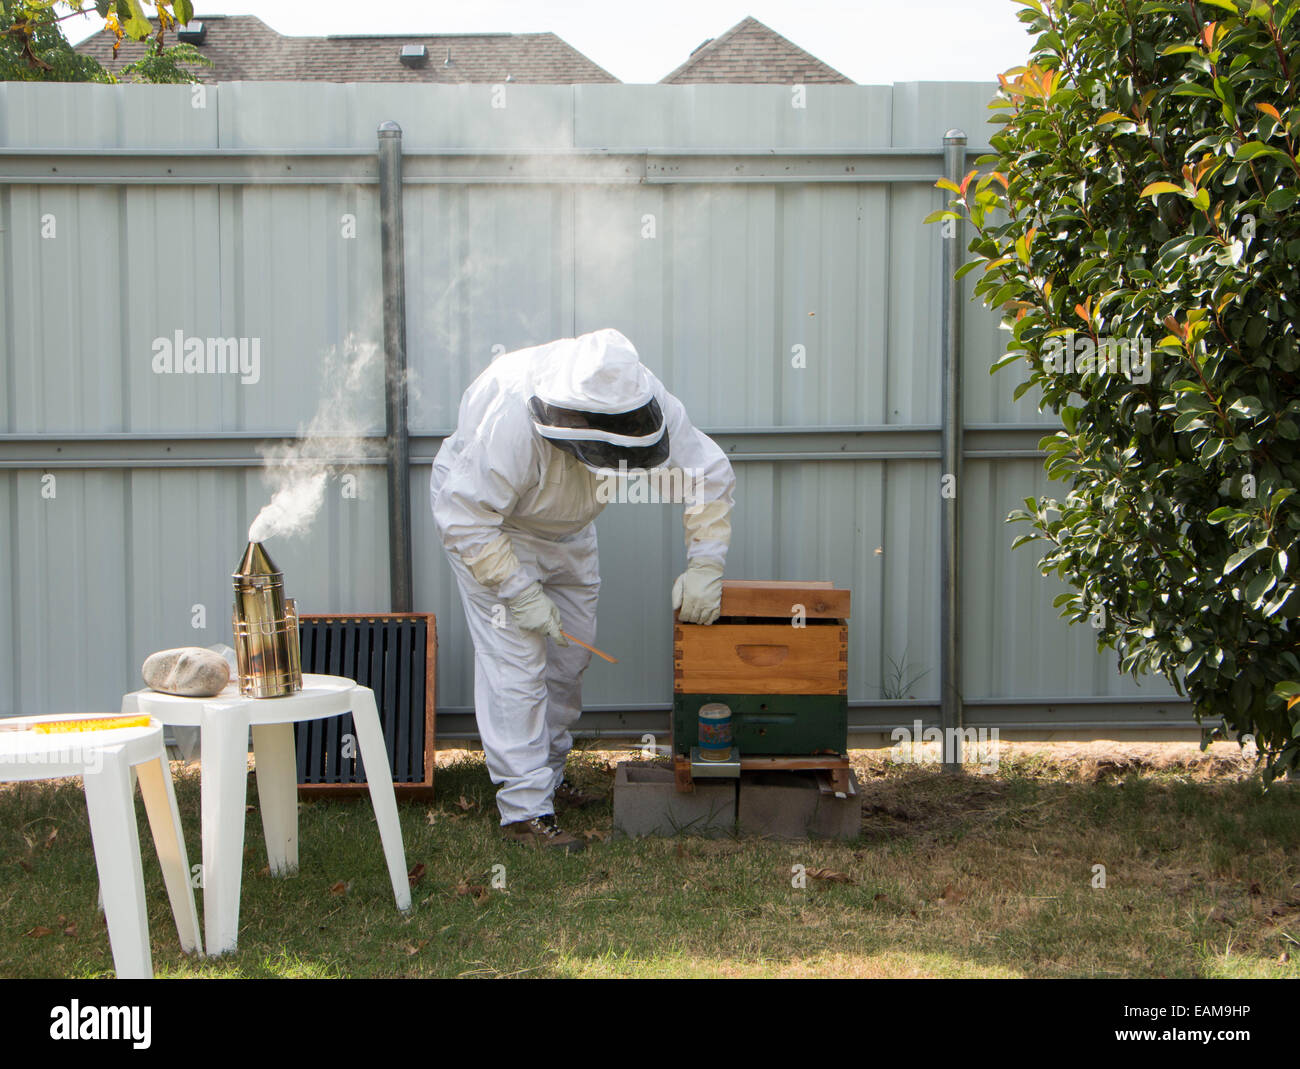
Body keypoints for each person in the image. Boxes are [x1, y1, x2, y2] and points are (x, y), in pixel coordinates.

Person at [430, 328, 736, 852]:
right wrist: (519, 591)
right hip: (493, 528)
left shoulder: (647, 400)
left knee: (569, 661)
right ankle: (524, 813)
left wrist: (705, 565)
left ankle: (547, 778)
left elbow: (705, 474)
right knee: (517, 668)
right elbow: (463, 517)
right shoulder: (512, 415)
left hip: (570, 529)